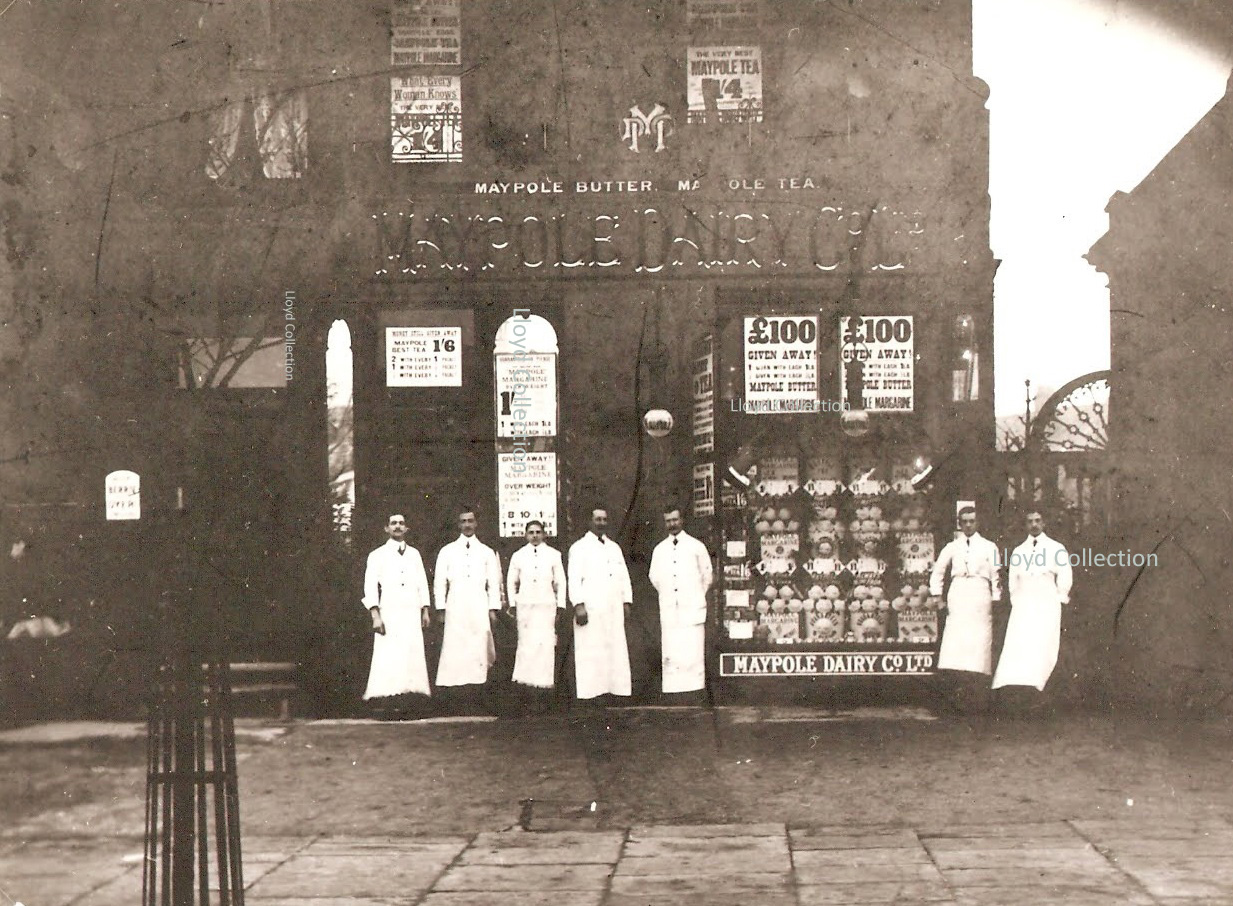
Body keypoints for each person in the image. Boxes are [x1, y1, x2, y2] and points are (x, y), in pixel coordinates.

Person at [929, 506, 1002, 709]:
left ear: (978, 522)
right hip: (959, 593)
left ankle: (977, 694)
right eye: (964, 521)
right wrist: (937, 596)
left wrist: (996, 598)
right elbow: (938, 571)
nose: (968, 525)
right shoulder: (952, 547)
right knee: (957, 642)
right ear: (959, 524)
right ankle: (957, 693)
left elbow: (996, 574)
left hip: (980, 594)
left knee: (978, 642)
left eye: (972, 521)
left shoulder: (989, 546)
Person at [993, 511, 1073, 695]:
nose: (1034, 525)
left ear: (1044, 523)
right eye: (1030, 521)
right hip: (1024, 604)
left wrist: (1060, 597)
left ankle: (1039, 685)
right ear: (1026, 525)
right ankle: (1018, 686)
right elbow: (1013, 580)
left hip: (1047, 603)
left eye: (1038, 521)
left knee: (1043, 643)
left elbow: (1065, 574)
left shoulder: (1056, 548)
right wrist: (1016, 601)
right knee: (1021, 643)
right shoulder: (1019, 551)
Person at [362, 513, 432, 714]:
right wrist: (375, 615)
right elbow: (370, 586)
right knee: (389, 654)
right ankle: (389, 702)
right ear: (387, 528)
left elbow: (422, 583)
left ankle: (410, 701)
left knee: (411, 653)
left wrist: (425, 610)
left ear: (406, 528)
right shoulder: (377, 555)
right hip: (389, 611)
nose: (398, 526)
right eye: (393, 523)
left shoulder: (414, 554)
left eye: (401, 523)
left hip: (411, 610)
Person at [433, 507, 502, 699]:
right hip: (455, 604)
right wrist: (441, 608)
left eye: (470, 521)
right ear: (458, 525)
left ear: (476, 523)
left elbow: (493, 583)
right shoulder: (447, 551)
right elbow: (440, 582)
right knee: (456, 645)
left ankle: (477, 690)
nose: (467, 525)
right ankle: (457, 693)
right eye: (463, 521)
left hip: (479, 603)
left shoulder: (486, 552)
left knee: (479, 644)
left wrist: (493, 608)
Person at [567, 507, 633, 700]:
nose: (601, 523)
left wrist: (626, 601)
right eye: (598, 519)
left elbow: (623, 576)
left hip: (612, 607)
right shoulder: (579, 548)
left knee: (614, 649)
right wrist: (578, 605)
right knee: (591, 650)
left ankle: (614, 691)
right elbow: (574, 578)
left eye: (604, 519)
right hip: (591, 607)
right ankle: (591, 694)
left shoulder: (614, 547)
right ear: (590, 521)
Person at [648, 506, 713, 696]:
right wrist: (670, 593)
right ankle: (674, 693)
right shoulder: (660, 549)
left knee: (692, 649)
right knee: (673, 649)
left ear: (682, 520)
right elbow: (654, 577)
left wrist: (693, 594)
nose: (672, 524)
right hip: (670, 608)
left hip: (692, 607)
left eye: (675, 520)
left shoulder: (696, 546)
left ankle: (694, 692)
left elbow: (707, 576)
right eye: (668, 521)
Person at [507, 520, 567, 705]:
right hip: (526, 608)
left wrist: (560, 605)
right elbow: (511, 582)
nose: (534, 536)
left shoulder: (553, 555)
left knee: (545, 646)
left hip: (546, 607)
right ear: (526, 535)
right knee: (526, 646)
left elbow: (561, 582)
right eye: (531, 532)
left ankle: (544, 691)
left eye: (538, 532)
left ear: (544, 534)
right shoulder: (518, 555)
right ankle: (526, 690)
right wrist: (513, 603)